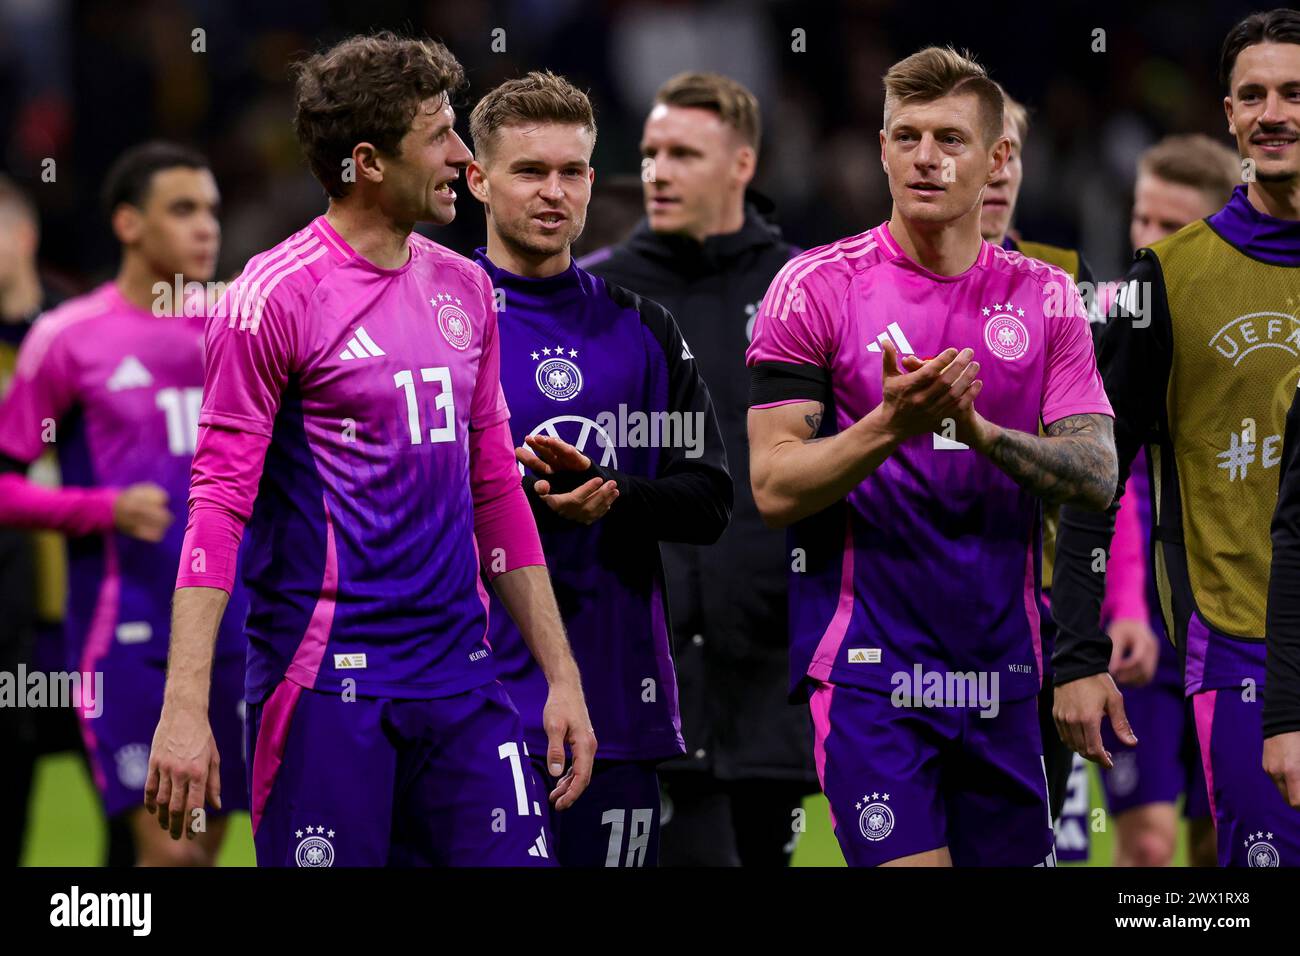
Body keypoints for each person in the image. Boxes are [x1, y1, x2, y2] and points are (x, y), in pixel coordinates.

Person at [145, 32, 595, 867]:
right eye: (441, 137)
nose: (465, 156)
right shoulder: (270, 300)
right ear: (368, 162)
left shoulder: (466, 287)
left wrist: (559, 674)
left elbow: (495, 488)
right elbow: (218, 507)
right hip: (325, 689)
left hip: (464, 682)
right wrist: (184, 704)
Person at [746, 46, 1116, 867]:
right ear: (880, 149)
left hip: (1005, 677)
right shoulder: (814, 288)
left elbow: (1097, 472)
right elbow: (773, 487)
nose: (925, 156)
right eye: (905, 135)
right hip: (871, 676)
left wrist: (981, 434)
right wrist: (889, 425)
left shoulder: (1047, 296)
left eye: (950, 139)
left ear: (995, 161)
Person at [1052, 8, 1300, 867]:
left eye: (1295, 92)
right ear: (1228, 116)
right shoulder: (1169, 279)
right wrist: (1078, 650)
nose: (1275, 112)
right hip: (1242, 645)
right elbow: (1096, 473)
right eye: (1254, 95)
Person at [465, 71, 731, 866]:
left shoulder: (641, 326)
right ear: (478, 178)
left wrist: (609, 497)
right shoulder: (441, 316)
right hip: (468, 699)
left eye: (572, 171)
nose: (555, 192)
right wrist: (511, 494)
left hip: (616, 698)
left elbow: (709, 497)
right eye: (529, 171)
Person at [580, 71, 817, 867]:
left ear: (741, 165)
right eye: (649, 154)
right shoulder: (602, 293)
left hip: (774, 665)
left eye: (683, 153)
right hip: (648, 664)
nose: (658, 172)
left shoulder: (808, 289)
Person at [0, 143, 247, 866]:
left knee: (202, 849)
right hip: (128, 634)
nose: (206, 228)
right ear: (129, 225)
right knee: (168, 855)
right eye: (183, 210)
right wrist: (101, 510)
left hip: (237, 630)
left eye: (211, 211)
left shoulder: (238, 325)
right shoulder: (69, 338)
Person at [1094, 134, 1239, 867]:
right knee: (1148, 846)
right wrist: (1122, 606)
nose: (1147, 243)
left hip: (1232, 611)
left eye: (1170, 228)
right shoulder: (1110, 327)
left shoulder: (1250, 339)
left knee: (1224, 838)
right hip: (1144, 618)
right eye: (1141, 220)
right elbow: (1115, 480)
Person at [977, 85, 1108, 843]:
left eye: (1011, 154)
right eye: (983, 153)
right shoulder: (882, 283)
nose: (997, 173)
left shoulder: (1070, 282)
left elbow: (1108, 470)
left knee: (1036, 832)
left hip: (1053, 603)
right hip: (929, 605)